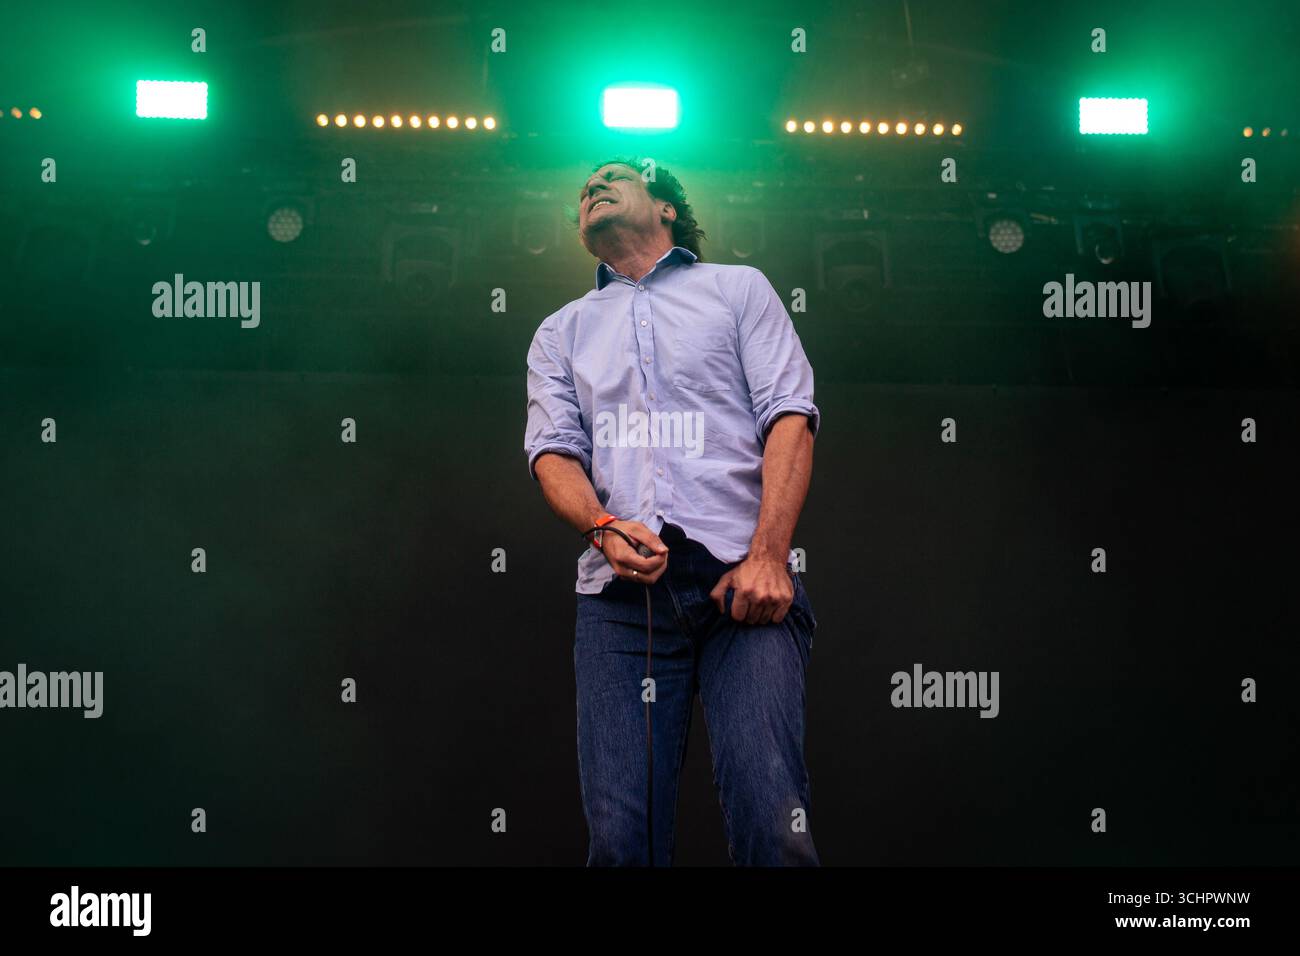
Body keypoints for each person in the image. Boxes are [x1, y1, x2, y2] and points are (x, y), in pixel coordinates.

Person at [524, 157, 821, 866]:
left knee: (774, 824)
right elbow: (552, 453)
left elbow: (790, 415)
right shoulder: (559, 332)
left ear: (666, 209)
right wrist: (602, 527)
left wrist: (770, 558)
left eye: (614, 175)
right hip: (622, 604)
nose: (591, 186)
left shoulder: (737, 290)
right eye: (583, 186)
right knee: (622, 844)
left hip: (741, 589)